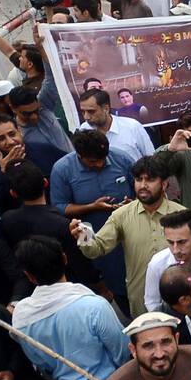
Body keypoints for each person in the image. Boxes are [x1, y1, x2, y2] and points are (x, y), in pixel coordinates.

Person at [12, 236, 130, 380]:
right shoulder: (92, 306)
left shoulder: (22, 317)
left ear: (29, 275)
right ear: (65, 259)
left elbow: (40, 363)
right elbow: (122, 352)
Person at [70, 155, 184, 317]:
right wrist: (83, 236)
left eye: (150, 180)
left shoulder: (181, 214)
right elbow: (97, 248)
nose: (143, 185)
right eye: (139, 179)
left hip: (181, 299)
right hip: (141, 302)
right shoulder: (121, 215)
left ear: (164, 184)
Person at [49, 129, 136, 310]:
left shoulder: (122, 159)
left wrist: (132, 203)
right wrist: (92, 207)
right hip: (91, 237)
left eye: (103, 159)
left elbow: (142, 190)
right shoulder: (62, 169)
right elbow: (59, 207)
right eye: (93, 162)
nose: (100, 164)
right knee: (116, 286)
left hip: (130, 233)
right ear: (79, 155)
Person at [0, 161, 106, 294]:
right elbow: (83, 262)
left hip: (35, 288)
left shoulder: (7, 219)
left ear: (13, 193)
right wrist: (99, 283)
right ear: (45, 183)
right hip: (70, 286)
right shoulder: (64, 224)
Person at [77, 88, 155, 163]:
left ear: (106, 109)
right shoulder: (84, 129)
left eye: (91, 111)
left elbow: (151, 158)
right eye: (83, 112)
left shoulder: (132, 126)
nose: (86, 117)